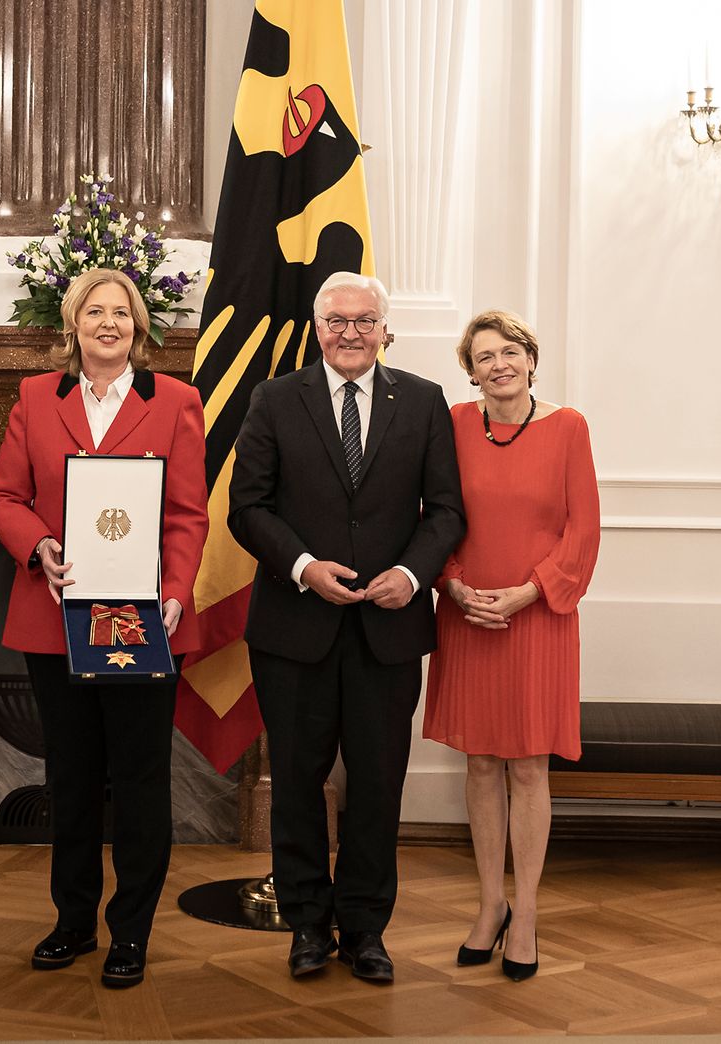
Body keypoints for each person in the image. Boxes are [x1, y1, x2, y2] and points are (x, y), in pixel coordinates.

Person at [228, 272, 465, 984]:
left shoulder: (423, 403)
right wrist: (302, 566)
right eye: (337, 321)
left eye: (365, 321)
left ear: (384, 330)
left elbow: (448, 511)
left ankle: (365, 929)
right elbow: (247, 507)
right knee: (297, 783)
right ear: (316, 328)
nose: (351, 333)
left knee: (377, 786)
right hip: (295, 629)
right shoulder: (275, 399)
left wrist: (413, 576)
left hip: (388, 633)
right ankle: (305, 925)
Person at [0, 269, 209, 989]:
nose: (107, 324)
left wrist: (174, 594)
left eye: (121, 313)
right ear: (72, 325)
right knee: (71, 777)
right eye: (94, 312)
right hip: (58, 618)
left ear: (139, 328)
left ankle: (131, 932)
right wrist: (37, 545)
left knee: (141, 780)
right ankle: (73, 920)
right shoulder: (35, 398)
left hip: (146, 620)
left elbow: (187, 513)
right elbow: (3, 495)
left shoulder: (176, 401)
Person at [422, 310, 599, 982]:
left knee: (528, 767)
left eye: (509, 352)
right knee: (479, 765)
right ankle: (488, 904)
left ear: (530, 357)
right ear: (470, 372)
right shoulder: (454, 425)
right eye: (483, 357)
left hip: (537, 618)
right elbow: (434, 517)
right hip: (468, 616)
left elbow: (583, 530)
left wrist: (530, 593)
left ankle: (525, 912)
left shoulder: (569, 427)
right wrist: (455, 587)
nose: (498, 365)